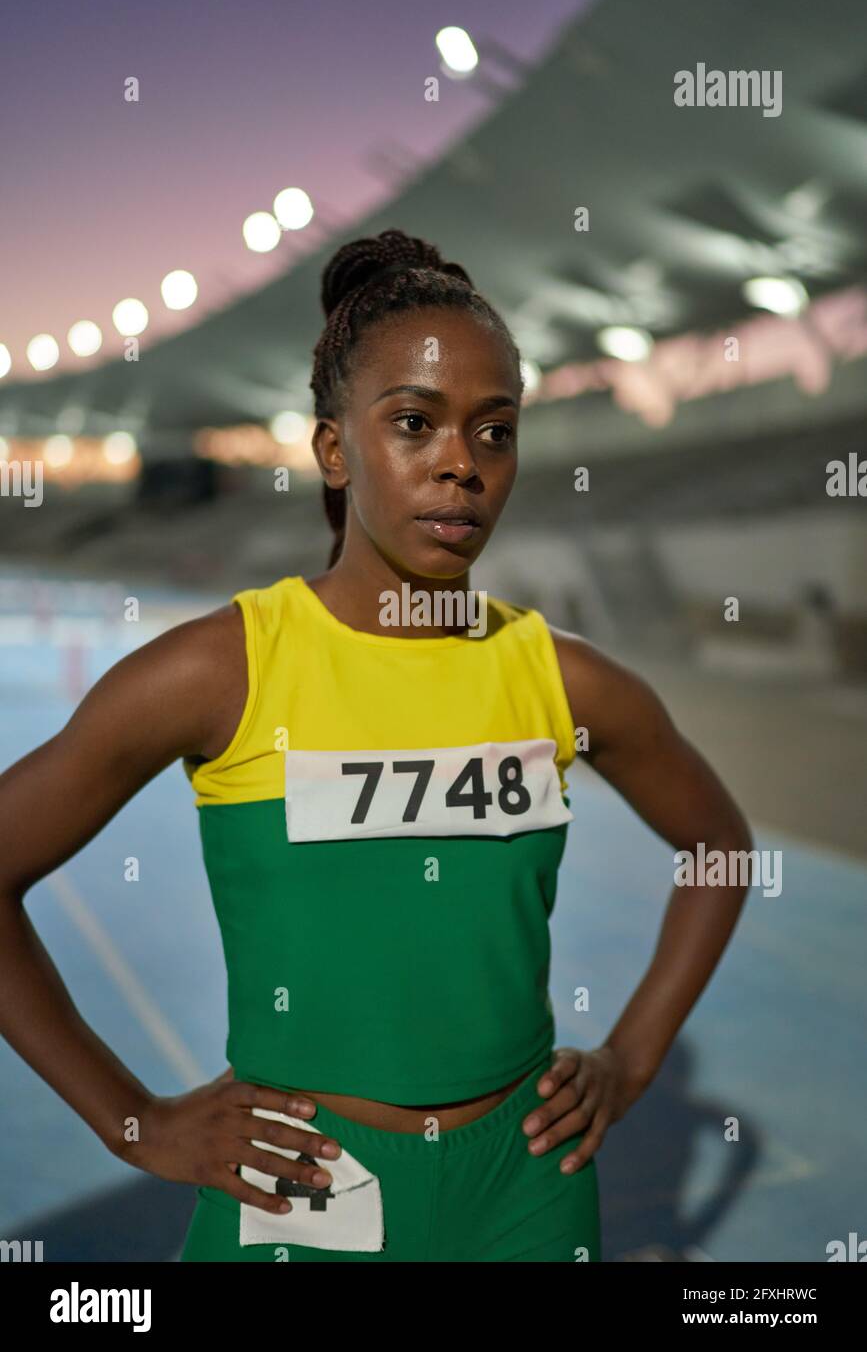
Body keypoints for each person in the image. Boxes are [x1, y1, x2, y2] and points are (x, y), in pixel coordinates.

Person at [0, 229, 752, 1262]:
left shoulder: (561, 680)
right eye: (414, 423)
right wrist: (137, 1120)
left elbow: (721, 849)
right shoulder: (225, 670)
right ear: (332, 447)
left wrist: (627, 1062)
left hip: (527, 1189)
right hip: (301, 1189)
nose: (462, 463)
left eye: (496, 432)